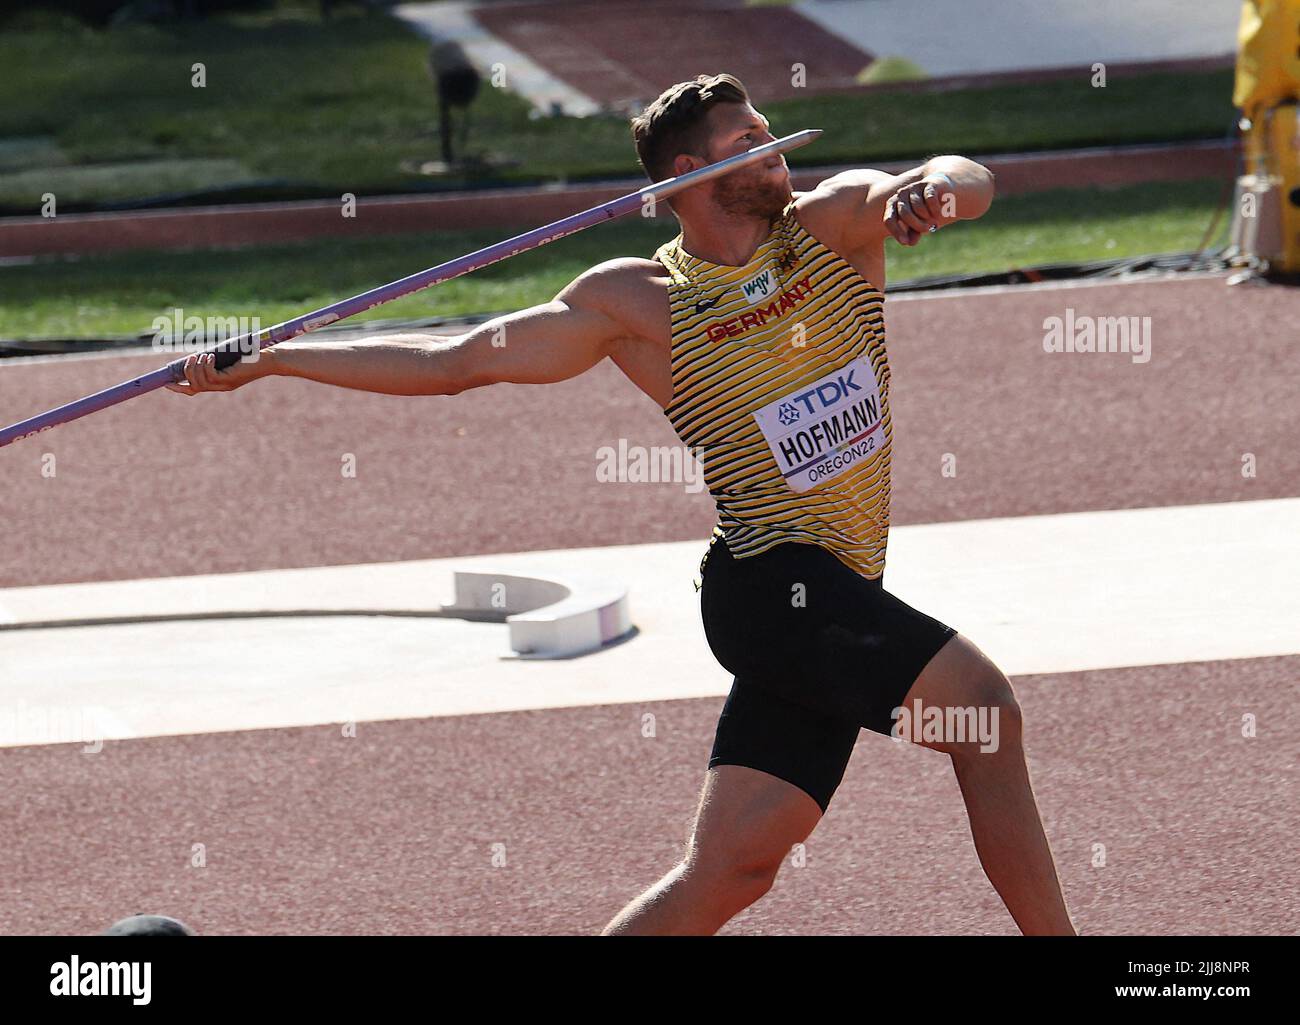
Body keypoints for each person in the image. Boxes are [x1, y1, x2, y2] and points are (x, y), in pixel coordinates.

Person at [168, 73, 1076, 936]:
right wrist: (280, 358)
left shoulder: (835, 224)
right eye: (749, 141)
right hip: (769, 586)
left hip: (839, 588)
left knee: (731, 873)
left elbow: (968, 180)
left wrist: (934, 189)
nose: (775, 149)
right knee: (984, 715)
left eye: (768, 133)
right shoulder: (638, 302)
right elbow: (458, 362)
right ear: (692, 175)